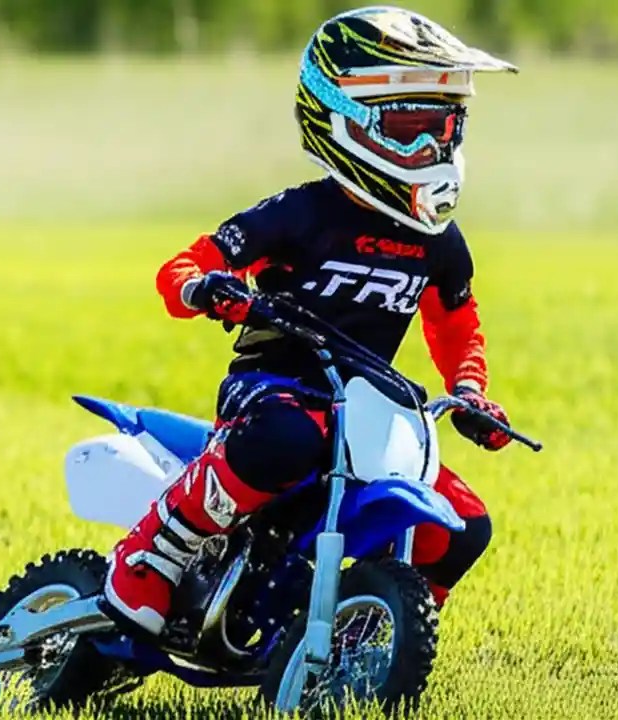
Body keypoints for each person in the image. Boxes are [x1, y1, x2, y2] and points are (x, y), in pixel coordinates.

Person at [102, 6, 519, 636]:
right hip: (273, 393)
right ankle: (153, 551)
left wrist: (469, 392)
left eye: (446, 127)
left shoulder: (439, 240)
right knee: (288, 441)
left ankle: (375, 632)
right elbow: (187, 263)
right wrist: (206, 287)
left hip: (368, 410)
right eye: (410, 126)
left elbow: (458, 326)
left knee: (463, 526)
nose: (433, 147)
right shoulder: (302, 213)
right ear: (343, 119)